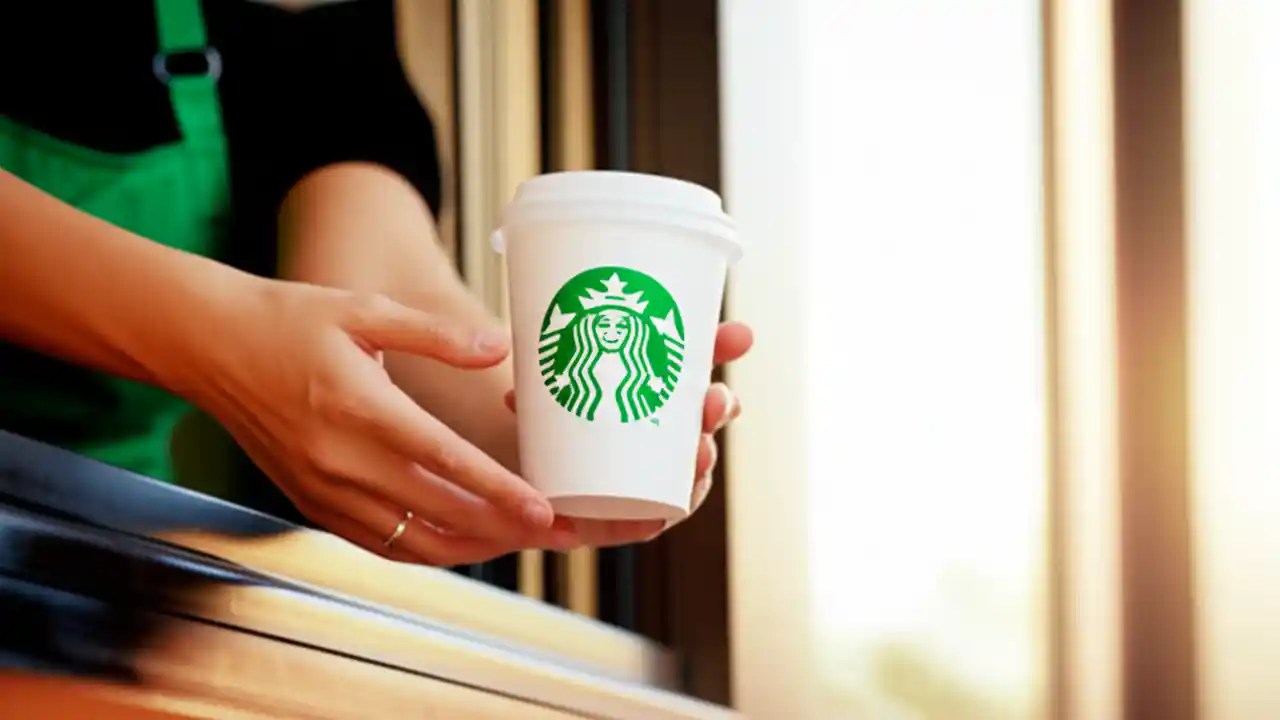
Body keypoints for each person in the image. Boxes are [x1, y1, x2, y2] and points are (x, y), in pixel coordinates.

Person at [0, 0, 752, 566]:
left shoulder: (302, 33)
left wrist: (545, 435)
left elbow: (386, 295)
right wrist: (209, 334)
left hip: (93, 567)